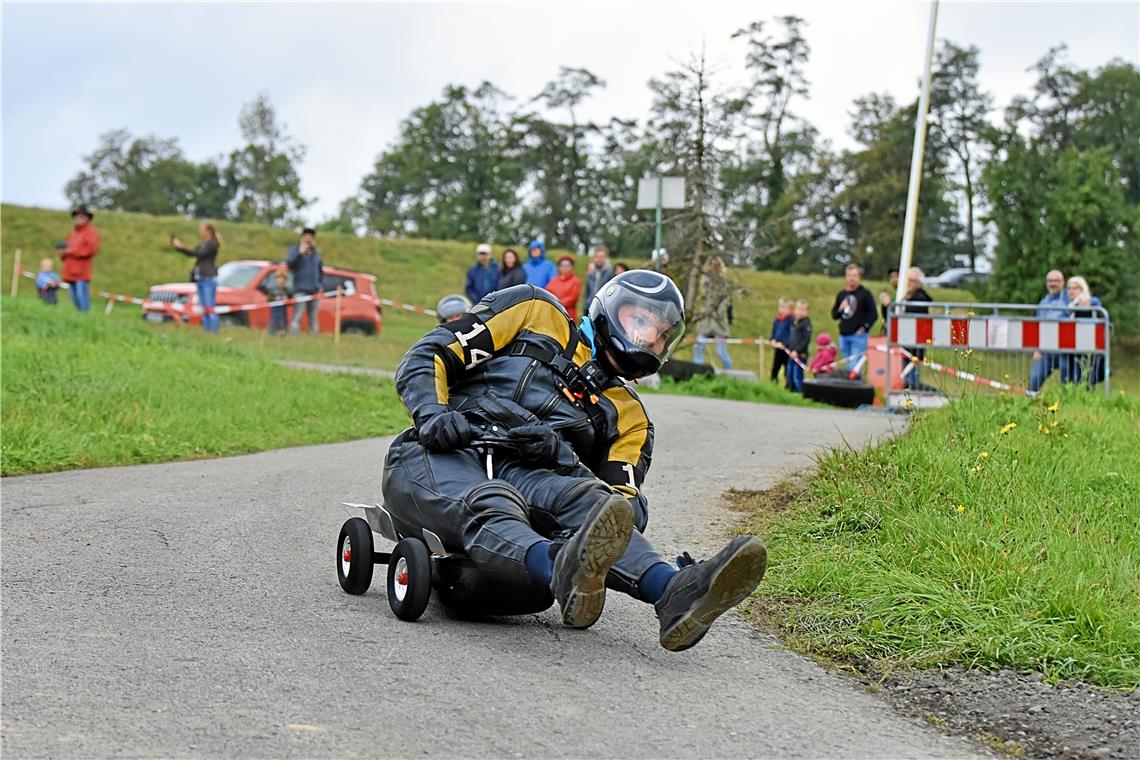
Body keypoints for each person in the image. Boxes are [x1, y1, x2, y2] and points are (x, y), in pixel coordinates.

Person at [382, 271, 768, 651]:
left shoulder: (629, 417)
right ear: (610, 308)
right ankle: (557, 567)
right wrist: (433, 414)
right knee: (492, 498)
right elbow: (430, 353)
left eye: (661, 334)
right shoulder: (534, 311)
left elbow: (622, 509)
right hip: (442, 454)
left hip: (532, 479)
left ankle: (674, 591)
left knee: (591, 503)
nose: (649, 337)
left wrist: (560, 455)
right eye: (641, 321)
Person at [170, 221, 222, 332]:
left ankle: (212, 331)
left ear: (208, 231)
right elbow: (192, 253)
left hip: (208, 278)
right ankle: (207, 331)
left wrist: (182, 247)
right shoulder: (203, 244)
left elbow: (199, 254)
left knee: (209, 307)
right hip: (200, 278)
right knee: (204, 307)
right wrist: (179, 248)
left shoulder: (212, 245)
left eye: (202, 229)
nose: (200, 232)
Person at [830, 263, 877, 377]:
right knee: (847, 365)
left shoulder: (865, 294)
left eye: (854, 276)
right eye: (849, 275)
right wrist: (840, 309)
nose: (851, 278)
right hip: (844, 334)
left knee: (854, 367)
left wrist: (865, 327)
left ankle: (856, 387)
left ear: (859, 277)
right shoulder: (842, 294)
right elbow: (834, 315)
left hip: (858, 335)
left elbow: (873, 314)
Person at [1028, 269, 1071, 392]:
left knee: (1067, 381)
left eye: (1056, 281)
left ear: (1063, 283)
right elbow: (1037, 326)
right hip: (1046, 351)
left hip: (1066, 350)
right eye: (1050, 281)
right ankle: (1031, 403)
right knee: (1034, 379)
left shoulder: (1069, 299)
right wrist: (1036, 349)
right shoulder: (1043, 303)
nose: (1052, 284)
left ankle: (1067, 405)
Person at [692, 258, 734, 370]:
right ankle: (699, 372)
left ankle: (729, 374)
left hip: (719, 324)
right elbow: (701, 299)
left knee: (721, 352)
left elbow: (726, 302)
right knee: (698, 347)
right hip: (706, 322)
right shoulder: (705, 283)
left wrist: (718, 313)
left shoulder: (724, 285)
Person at [898, 267, 934, 390]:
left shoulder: (919, 299)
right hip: (906, 341)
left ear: (919, 283)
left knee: (911, 371)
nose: (908, 283)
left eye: (912, 280)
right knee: (907, 370)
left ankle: (912, 395)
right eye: (907, 280)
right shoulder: (905, 297)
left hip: (914, 342)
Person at [59, 205, 99, 311]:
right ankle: (80, 320)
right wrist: (63, 253)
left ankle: (86, 320)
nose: (79, 218)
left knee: (82, 298)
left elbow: (91, 249)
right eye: (77, 216)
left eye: (82, 216)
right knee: (74, 297)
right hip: (70, 272)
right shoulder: (72, 234)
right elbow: (64, 250)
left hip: (82, 272)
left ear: (87, 218)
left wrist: (71, 251)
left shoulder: (91, 233)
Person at [1065, 276, 1103, 386]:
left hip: (1087, 346)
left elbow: (1098, 307)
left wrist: (1090, 303)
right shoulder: (1070, 305)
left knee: (1084, 376)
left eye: (1074, 288)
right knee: (1074, 376)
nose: (1070, 291)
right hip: (1073, 346)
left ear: (1082, 289)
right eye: (1069, 288)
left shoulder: (1089, 302)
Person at [287, 227, 324, 335]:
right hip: (300, 290)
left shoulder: (317, 254)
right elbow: (290, 265)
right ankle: (294, 339)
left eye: (311, 237)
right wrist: (300, 253)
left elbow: (320, 271)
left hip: (314, 290)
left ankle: (314, 341)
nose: (309, 240)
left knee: (313, 317)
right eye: (306, 237)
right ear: (302, 238)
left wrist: (320, 285)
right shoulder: (295, 250)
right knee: (297, 315)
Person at [784, 300, 813, 393]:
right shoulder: (794, 322)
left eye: (803, 310)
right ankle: (791, 392)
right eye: (798, 309)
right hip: (791, 354)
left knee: (797, 376)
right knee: (789, 375)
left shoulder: (806, 324)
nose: (800, 312)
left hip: (800, 355)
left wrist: (797, 350)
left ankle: (800, 393)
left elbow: (806, 340)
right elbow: (791, 337)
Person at [545, 255, 583, 320]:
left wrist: (557, 304)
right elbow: (547, 294)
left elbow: (573, 298)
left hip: (568, 315)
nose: (564, 268)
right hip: (554, 315)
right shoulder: (553, 280)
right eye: (562, 265)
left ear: (572, 267)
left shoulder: (576, 281)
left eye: (567, 266)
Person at [768, 297, 794, 383]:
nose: (782, 310)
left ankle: (789, 386)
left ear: (790, 309)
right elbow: (774, 332)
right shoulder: (777, 320)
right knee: (775, 368)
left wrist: (784, 344)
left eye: (784, 307)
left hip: (787, 350)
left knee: (787, 371)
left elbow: (791, 335)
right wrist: (772, 340)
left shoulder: (792, 320)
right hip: (778, 349)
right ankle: (773, 383)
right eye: (780, 307)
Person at [582, 245, 614, 314]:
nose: (599, 259)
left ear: (606, 258)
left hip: (603, 309)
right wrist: (586, 305)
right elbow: (587, 292)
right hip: (589, 307)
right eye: (597, 257)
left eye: (602, 257)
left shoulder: (610, 274)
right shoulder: (591, 273)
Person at [264, 268, 292, 336]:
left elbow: (291, 301)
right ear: (276, 280)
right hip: (274, 312)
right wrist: (275, 298)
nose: (281, 280)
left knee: (282, 324)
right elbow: (268, 299)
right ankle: (271, 334)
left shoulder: (287, 290)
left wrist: (287, 299)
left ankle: (282, 334)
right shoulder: (273, 290)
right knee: (273, 323)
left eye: (283, 279)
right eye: (279, 278)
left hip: (283, 313)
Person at [878, 268, 900, 333]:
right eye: (891, 277)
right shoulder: (893, 292)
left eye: (896, 276)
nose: (894, 279)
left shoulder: (902, 292)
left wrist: (888, 304)